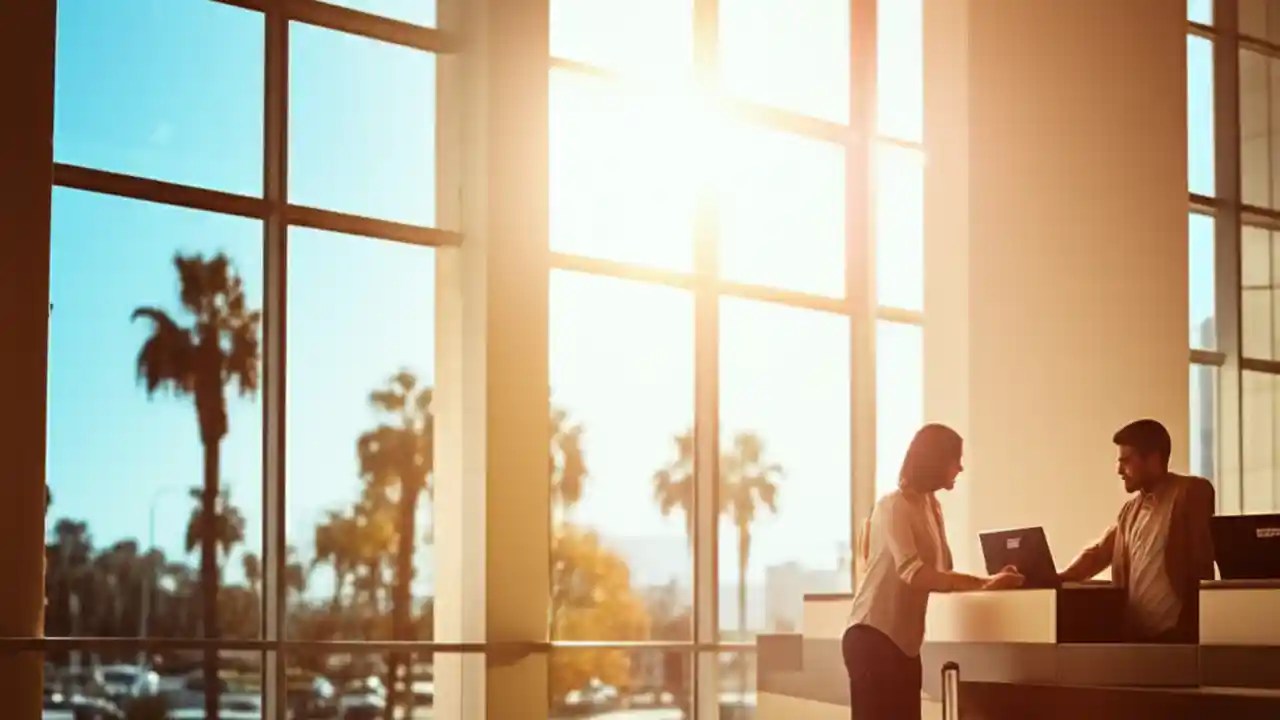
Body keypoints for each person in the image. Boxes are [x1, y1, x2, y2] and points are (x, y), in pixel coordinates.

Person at [843, 424, 1024, 720]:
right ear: (936, 460)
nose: (960, 467)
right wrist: (985, 584)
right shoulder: (893, 506)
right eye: (955, 459)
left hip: (906, 645)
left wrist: (992, 579)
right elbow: (914, 573)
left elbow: (943, 570)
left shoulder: (931, 507)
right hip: (871, 637)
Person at [1058, 419, 1215, 643]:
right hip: (1135, 639)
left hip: (1179, 637)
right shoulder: (1130, 511)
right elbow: (1098, 553)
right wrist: (1056, 578)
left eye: (1126, 461)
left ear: (1153, 459)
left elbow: (1201, 556)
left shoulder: (1190, 492)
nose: (1119, 470)